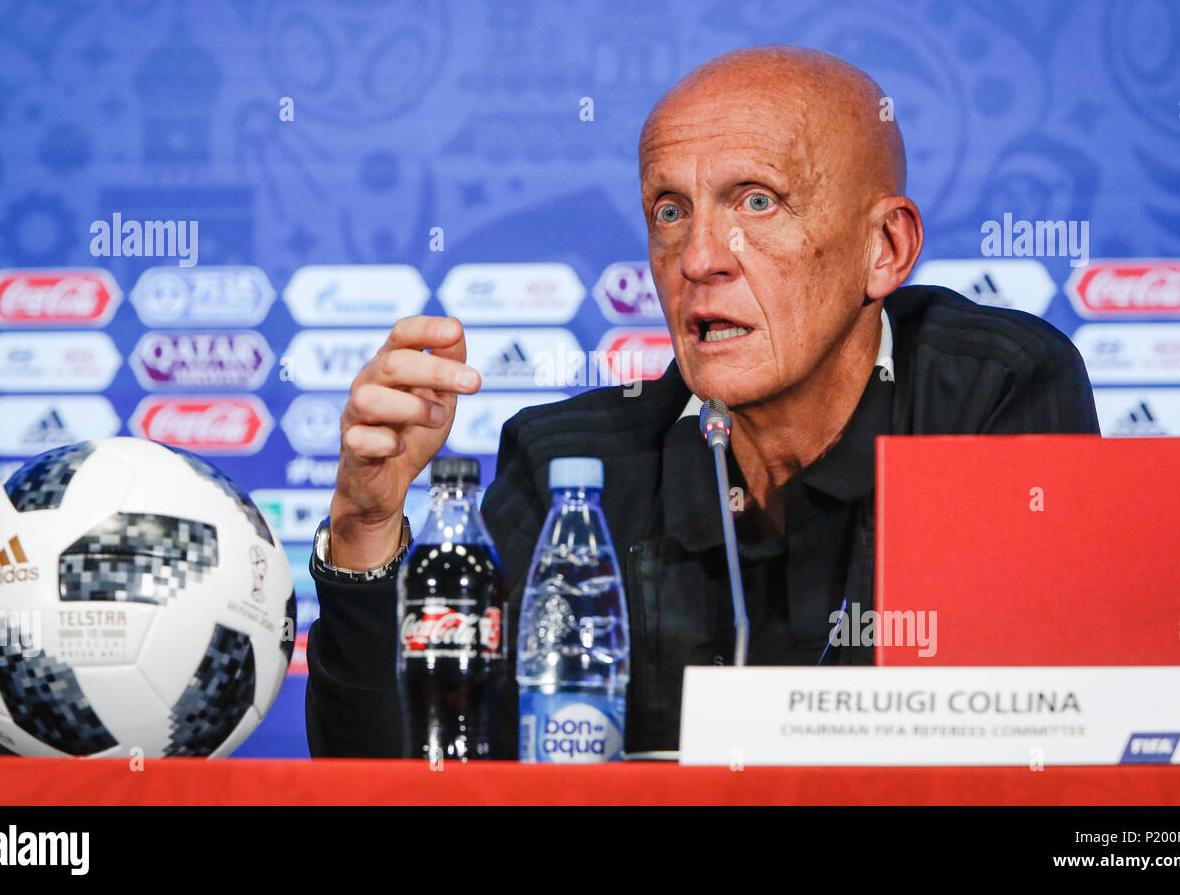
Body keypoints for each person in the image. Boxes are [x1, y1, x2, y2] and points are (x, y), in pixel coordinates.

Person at [306, 44, 1101, 757]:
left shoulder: (990, 390)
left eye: (757, 202)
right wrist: (366, 528)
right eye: (670, 211)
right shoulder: (570, 468)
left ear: (884, 249)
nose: (699, 258)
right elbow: (400, 774)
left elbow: (1032, 739)